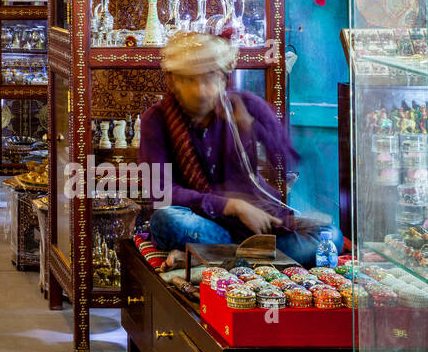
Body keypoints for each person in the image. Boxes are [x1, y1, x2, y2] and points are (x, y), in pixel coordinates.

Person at [139, 30, 339, 267]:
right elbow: (161, 192)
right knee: (165, 219)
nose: (201, 90)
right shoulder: (157, 119)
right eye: (190, 80)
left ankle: (207, 258)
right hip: (202, 223)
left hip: (256, 223)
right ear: (173, 82)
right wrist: (232, 206)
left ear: (224, 79)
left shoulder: (247, 106)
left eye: (210, 78)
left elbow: (283, 167)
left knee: (329, 235)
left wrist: (249, 128)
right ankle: (244, 258)